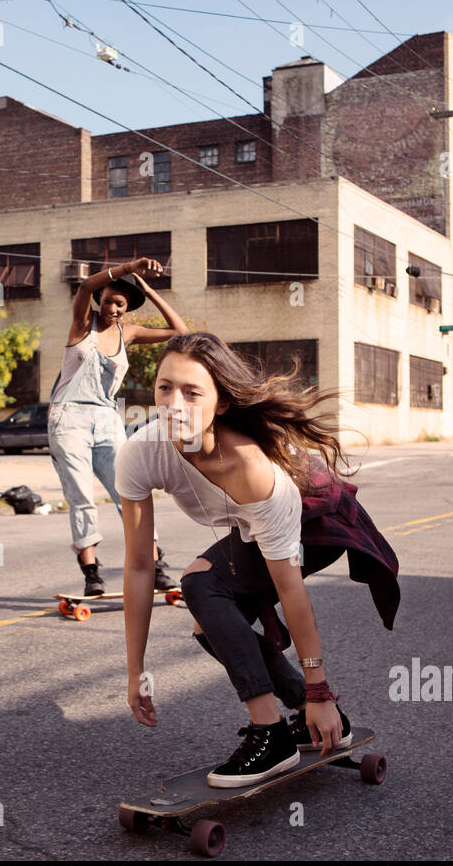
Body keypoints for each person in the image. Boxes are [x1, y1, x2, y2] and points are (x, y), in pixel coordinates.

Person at [115, 333, 400, 788]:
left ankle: (272, 734)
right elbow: (138, 566)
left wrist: (320, 688)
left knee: (201, 585)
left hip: (316, 520)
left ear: (222, 403)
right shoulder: (140, 454)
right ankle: (317, 719)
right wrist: (136, 671)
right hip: (253, 526)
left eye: (192, 392)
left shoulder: (253, 468)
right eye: (164, 387)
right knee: (212, 624)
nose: (174, 403)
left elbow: (291, 591)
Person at [48, 256, 188, 597]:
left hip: (107, 417)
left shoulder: (130, 334)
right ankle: (91, 573)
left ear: (127, 308)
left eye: (120, 303)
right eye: (108, 300)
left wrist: (148, 289)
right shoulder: (83, 324)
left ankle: (155, 564)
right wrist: (127, 268)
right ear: (101, 300)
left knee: (131, 491)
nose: (112, 307)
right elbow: (84, 286)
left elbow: (181, 333)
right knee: (81, 496)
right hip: (69, 418)